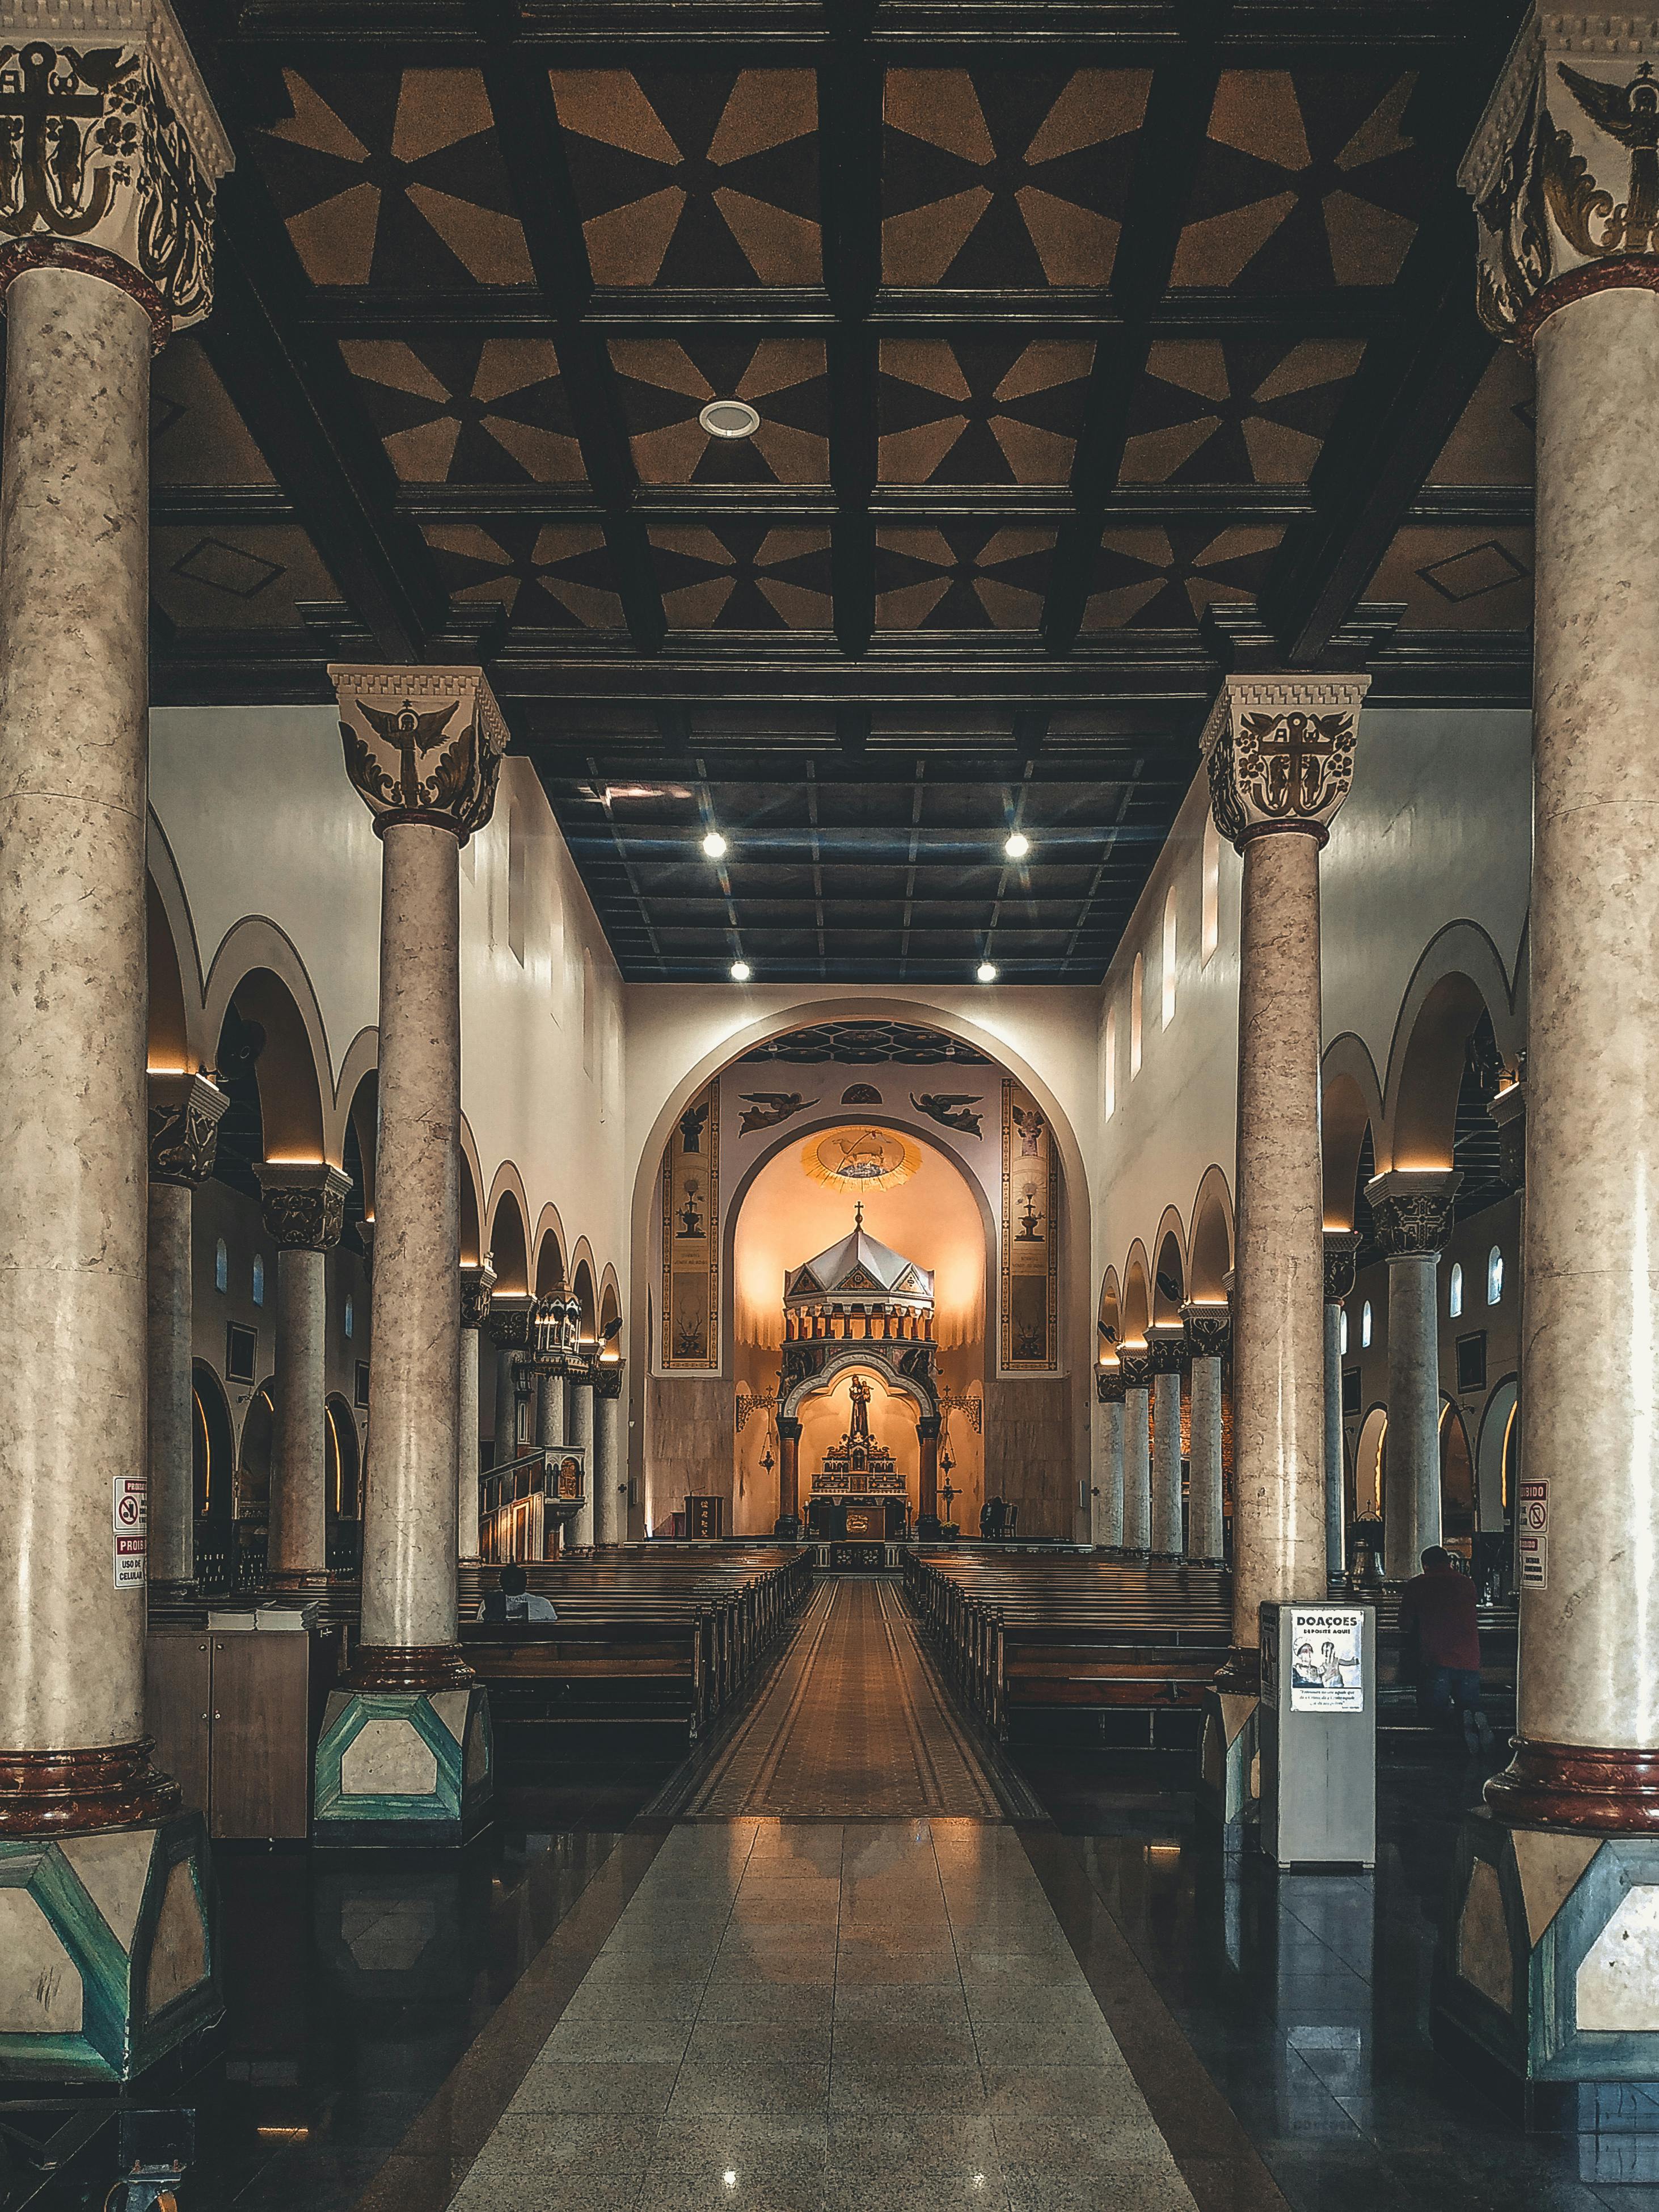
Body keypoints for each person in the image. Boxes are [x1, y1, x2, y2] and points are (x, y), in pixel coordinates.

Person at [1398, 1547, 1491, 1750]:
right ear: (1449, 1562)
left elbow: (1405, 1623)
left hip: (1435, 1657)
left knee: (1433, 1712)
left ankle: (1447, 1747)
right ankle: (1473, 1722)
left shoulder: (1418, 1585)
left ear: (1425, 1566)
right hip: (1469, 1656)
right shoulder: (1467, 1583)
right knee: (1469, 1703)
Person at [476, 1563, 556, 1623]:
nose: (512, 1584)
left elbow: (480, 1627)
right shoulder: (542, 1603)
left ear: (501, 1583)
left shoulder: (490, 1602)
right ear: (525, 1582)